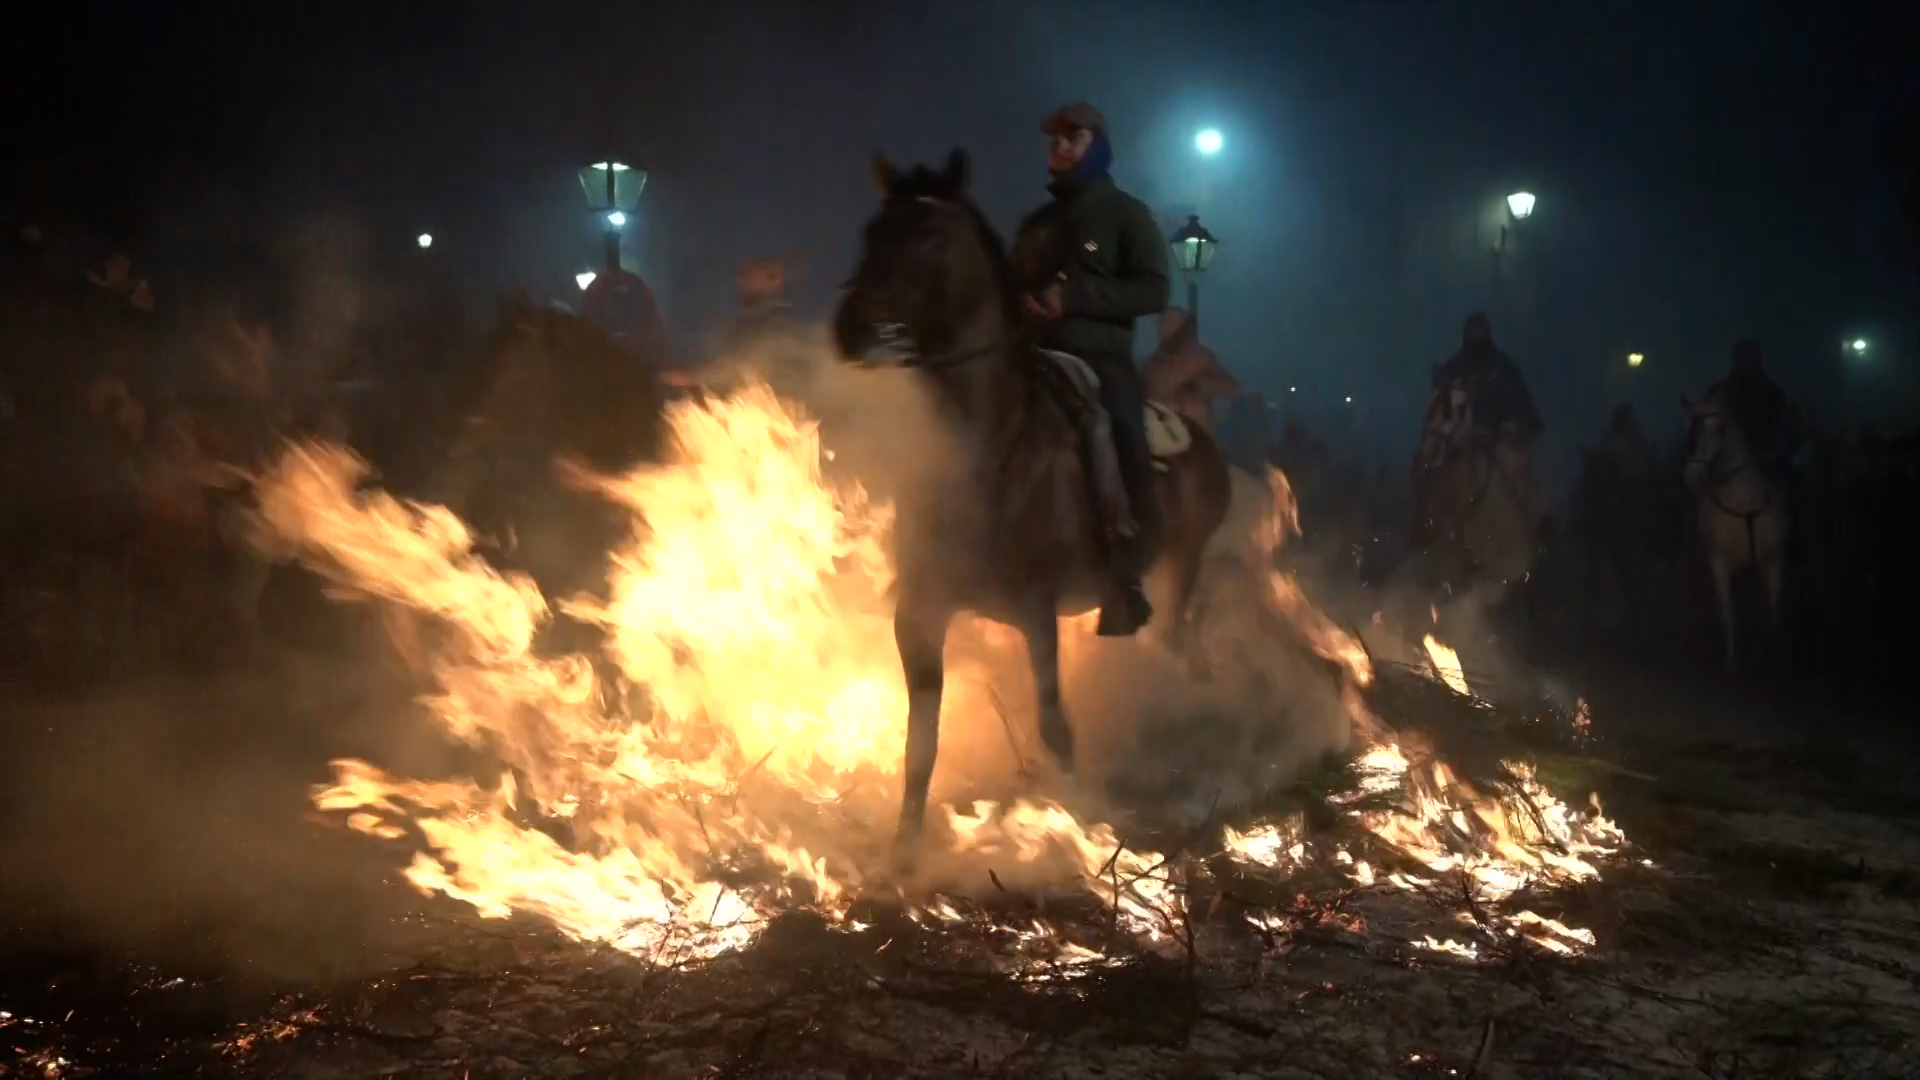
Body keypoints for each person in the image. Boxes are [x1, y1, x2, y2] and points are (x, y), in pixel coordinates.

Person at [1008, 101, 1171, 636]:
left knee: (1118, 431)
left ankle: (1126, 569)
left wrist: (1074, 298)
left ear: (1095, 144)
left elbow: (1153, 289)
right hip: (1032, 355)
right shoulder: (1036, 223)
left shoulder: (1126, 215)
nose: (1058, 147)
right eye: (1052, 139)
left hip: (1100, 357)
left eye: (1070, 138)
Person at [1711, 340, 1793, 474]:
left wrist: (1772, 451)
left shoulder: (1772, 393)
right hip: (1731, 459)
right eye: (1743, 358)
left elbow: (1781, 426)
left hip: (1765, 459)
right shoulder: (1724, 391)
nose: (1747, 362)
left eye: (1751, 358)